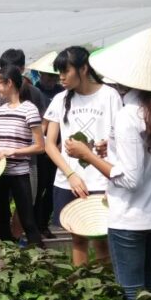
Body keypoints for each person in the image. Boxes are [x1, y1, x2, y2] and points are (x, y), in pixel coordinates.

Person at [64, 28, 151, 300]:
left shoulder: (129, 115)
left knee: (132, 293)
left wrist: (88, 154)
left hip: (131, 220)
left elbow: (130, 179)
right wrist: (114, 151)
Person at [43, 46, 122, 266]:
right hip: (70, 180)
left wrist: (110, 144)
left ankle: (106, 290)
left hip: (100, 179)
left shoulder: (109, 95)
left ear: (84, 68)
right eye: (59, 72)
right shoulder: (60, 100)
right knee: (77, 237)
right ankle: (82, 287)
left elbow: (120, 137)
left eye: (65, 71)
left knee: (102, 237)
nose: (61, 77)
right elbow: (49, 144)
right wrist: (70, 175)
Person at [0, 65, 44, 247]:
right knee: (2, 219)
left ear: (10, 83)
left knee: (28, 220)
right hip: (0, 171)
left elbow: (39, 147)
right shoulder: (2, 111)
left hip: (20, 174)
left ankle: (40, 255)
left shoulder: (29, 110)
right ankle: (8, 258)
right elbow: (2, 144)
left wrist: (14, 151)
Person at [27, 51, 65, 237]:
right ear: (40, 74)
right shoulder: (34, 92)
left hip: (59, 147)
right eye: (48, 75)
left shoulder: (62, 93)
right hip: (39, 147)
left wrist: (60, 145)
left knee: (52, 186)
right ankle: (33, 223)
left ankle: (43, 223)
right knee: (37, 188)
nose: (51, 79)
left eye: (55, 75)